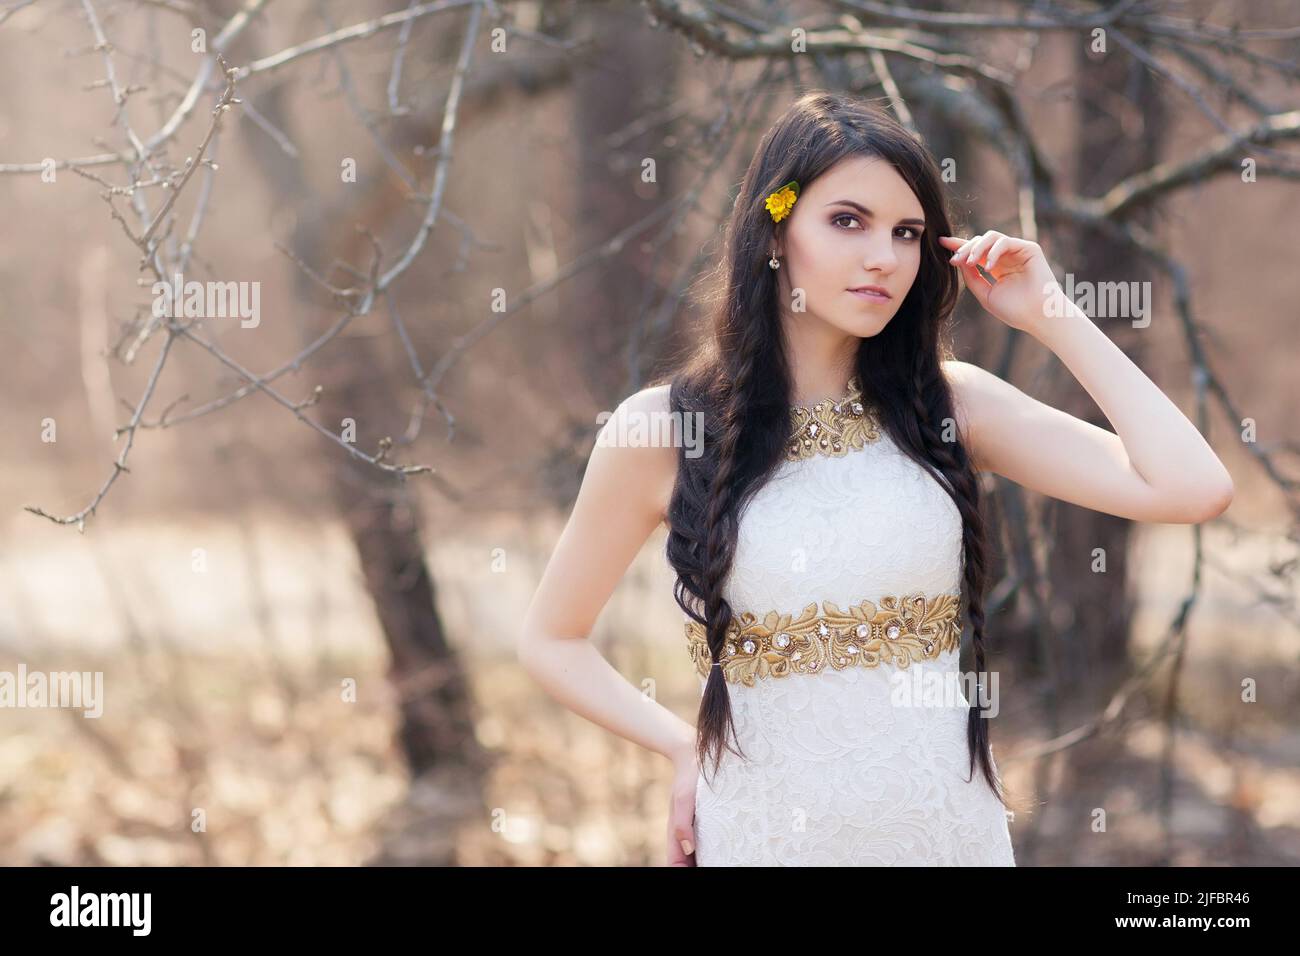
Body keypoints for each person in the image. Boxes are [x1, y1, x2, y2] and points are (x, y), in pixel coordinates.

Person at [517, 90, 1234, 866]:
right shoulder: (664, 429)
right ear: (775, 229)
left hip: (946, 835)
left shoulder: (950, 406)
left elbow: (1192, 488)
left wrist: (1052, 311)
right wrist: (681, 746)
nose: (883, 258)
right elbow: (552, 639)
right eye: (847, 221)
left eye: (907, 233)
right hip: (763, 836)